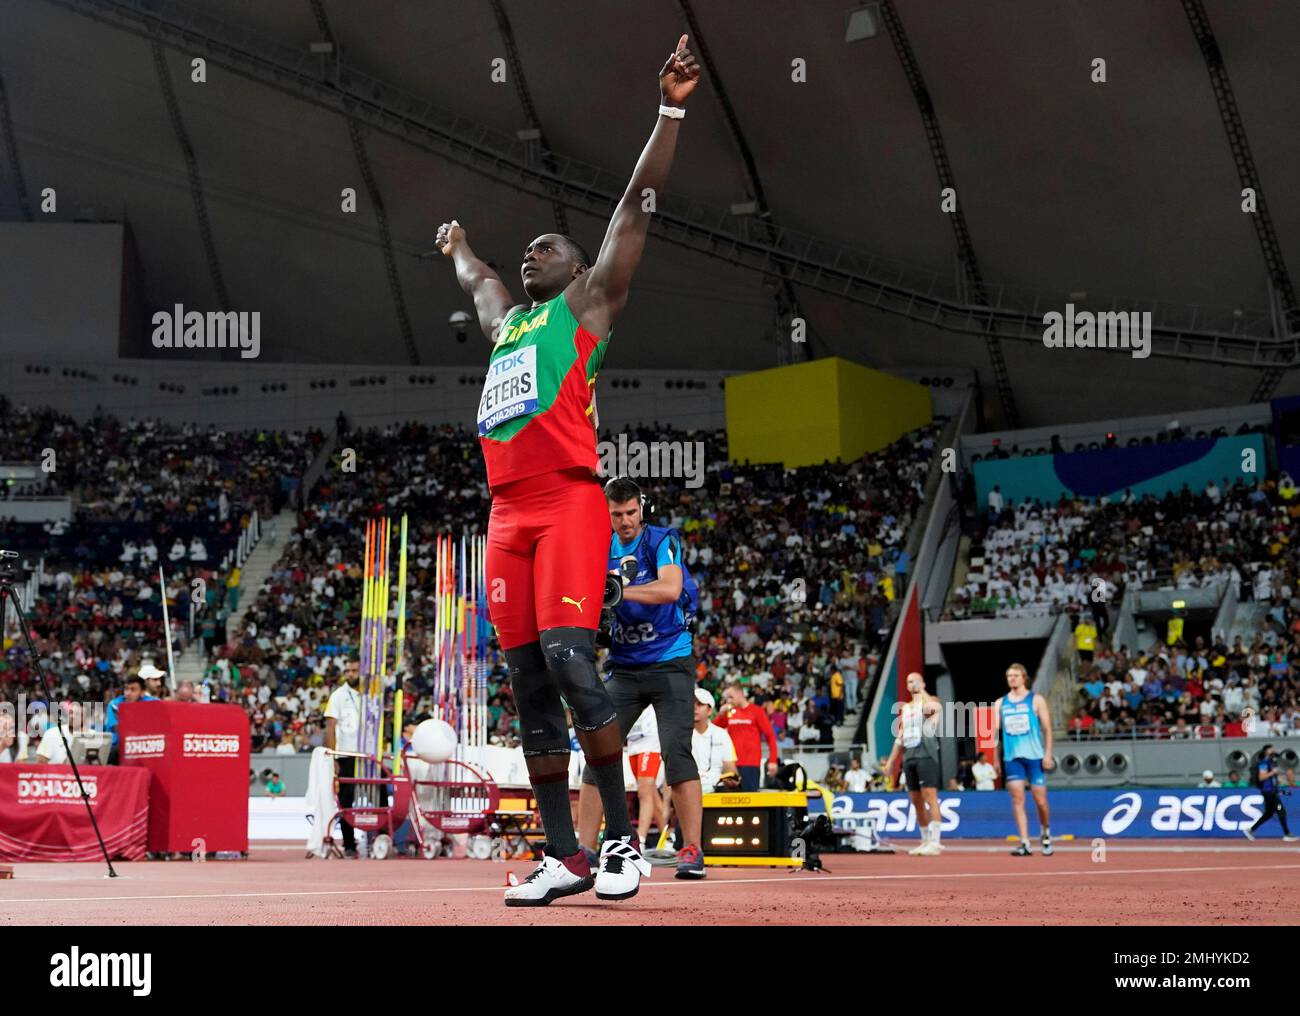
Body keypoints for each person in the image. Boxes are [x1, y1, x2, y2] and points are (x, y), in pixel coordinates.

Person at [438, 35, 700, 907]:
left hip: (568, 504)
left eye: (547, 247)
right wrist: (461, 248)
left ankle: (621, 843)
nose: (530, 256)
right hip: (504, 517)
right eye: (526, 253)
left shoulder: (588, 306)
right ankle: (563, 855)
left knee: (571, 659)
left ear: (581, 269)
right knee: (526, 682)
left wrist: (668, 109)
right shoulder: (510, 321)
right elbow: (479, 282)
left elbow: (635, 208)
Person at [577, 476, 706, 879]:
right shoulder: (598, 544)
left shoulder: (662, 539)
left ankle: (691, 850)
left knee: (676, 752)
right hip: (625, 666)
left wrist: (617, 591)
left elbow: (670, 589)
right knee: (597, 752)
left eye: (631, 512)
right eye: (617, 514)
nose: (625, 520)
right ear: (608, 514)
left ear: (641, 508)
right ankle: (581, 852)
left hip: (671, 660)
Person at [994, 663, 1055, 856]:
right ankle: (1024, 842)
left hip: (1035, 756)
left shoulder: (1036, 700)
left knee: (1040, 799)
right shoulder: (1000, 703)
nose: (1012, 679)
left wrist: (1047, 754)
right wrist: (996, 760)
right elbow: (996, 734)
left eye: (1015, 675)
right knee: (1017, 799)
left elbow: (1047, 729)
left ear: (1024, 677)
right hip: (1012, 758)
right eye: (1009, 676)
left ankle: (1045, 832)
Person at [884, 672, 945, 856]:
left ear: (922, 682)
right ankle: (925, 839)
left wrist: (922, 690)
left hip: (925, 753)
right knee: (916, 800)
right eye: (909, 681)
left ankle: (935, 841)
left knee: (929, 796)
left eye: (915, 680)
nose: (912, 684)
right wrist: (890, 763)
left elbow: (934, 708)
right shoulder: (907, 708)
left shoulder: (929, 700)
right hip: (909, 755)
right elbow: (900, 738)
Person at [323, 657, 363, 858]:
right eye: (348, 671)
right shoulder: (338, 696)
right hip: (346, 754)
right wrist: (332, 757)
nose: (350, 674)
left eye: (354, 671)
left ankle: (381, 836)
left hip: (368, 754)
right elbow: (330, 727)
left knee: (381, 792)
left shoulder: (372, 695)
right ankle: (349, 844)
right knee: (346, 800)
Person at [714, 683, 780, 791]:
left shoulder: (757, 711)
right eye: (727, 698)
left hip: (751, 764)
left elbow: (770, 736)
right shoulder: (729, 713)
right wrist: (721, 714)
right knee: (730, 803)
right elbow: (713, 729)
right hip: (731, 765)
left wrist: (773, 760)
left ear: (740, 693)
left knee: (750, 802)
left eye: (731, 697)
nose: (729, 700)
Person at [1244, 744, 1297, 841]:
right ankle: (1287, 834)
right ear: (1266, 751)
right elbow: (1262, 777)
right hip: (1269, 792)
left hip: (1273, 791)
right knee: (1281, 811)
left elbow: (1274, 779)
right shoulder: (1264, 763)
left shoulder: (1271, 763)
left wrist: (1287, 783)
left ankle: (1250, 830)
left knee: (1268, 813)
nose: (1273, 751)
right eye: (1271, 750)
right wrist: (1273, 772)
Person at [690, 689, 738, 792]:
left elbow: (730, 766)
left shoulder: (721, 734)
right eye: (691, 703)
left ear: (710, 711)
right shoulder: (681, 735)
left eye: (700, 704)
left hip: (716, 789)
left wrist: (732, 778)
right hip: (689, 789)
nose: (694, 707)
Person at [105, 674, 157, 764]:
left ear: (142, 692)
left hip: (144, 744)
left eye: (133, 690)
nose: (128, 693)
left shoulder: (153, 703)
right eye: (126, 689)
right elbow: (118, 728)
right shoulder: (115, 704)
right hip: (118, 746)